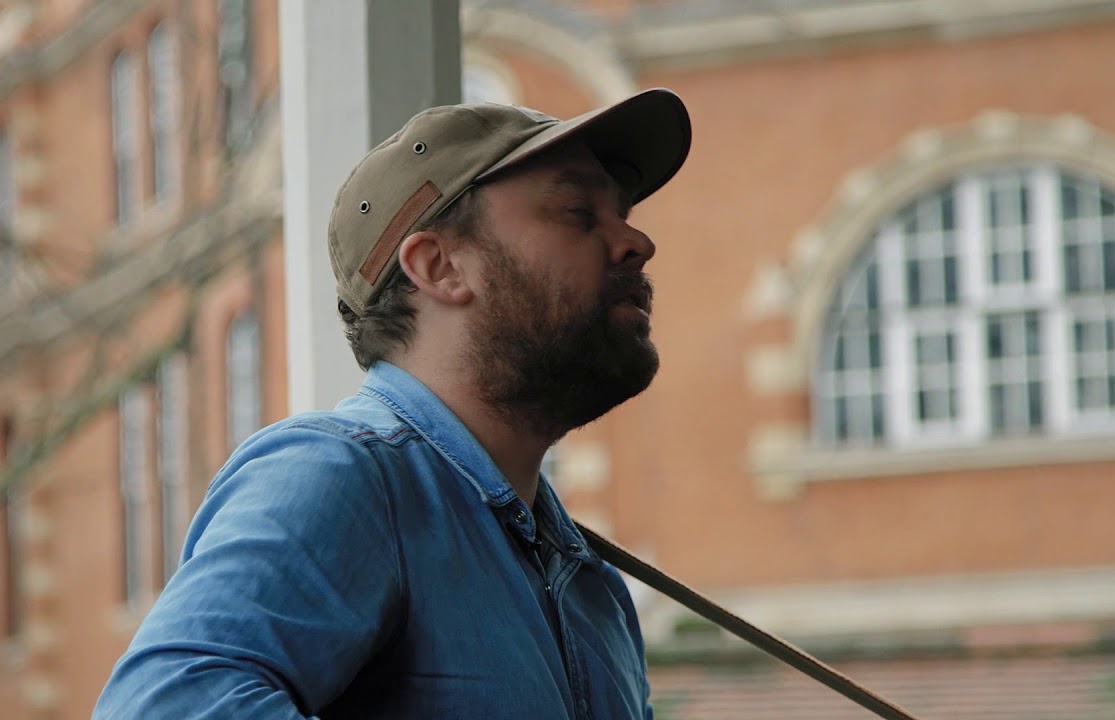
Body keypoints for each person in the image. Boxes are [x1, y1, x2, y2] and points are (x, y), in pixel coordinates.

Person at [93, 87, 691, 719]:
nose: (636, 240)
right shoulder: (342, 477)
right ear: (439, 266)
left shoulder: (592, 586)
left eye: (621, 211)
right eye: (578, 213)